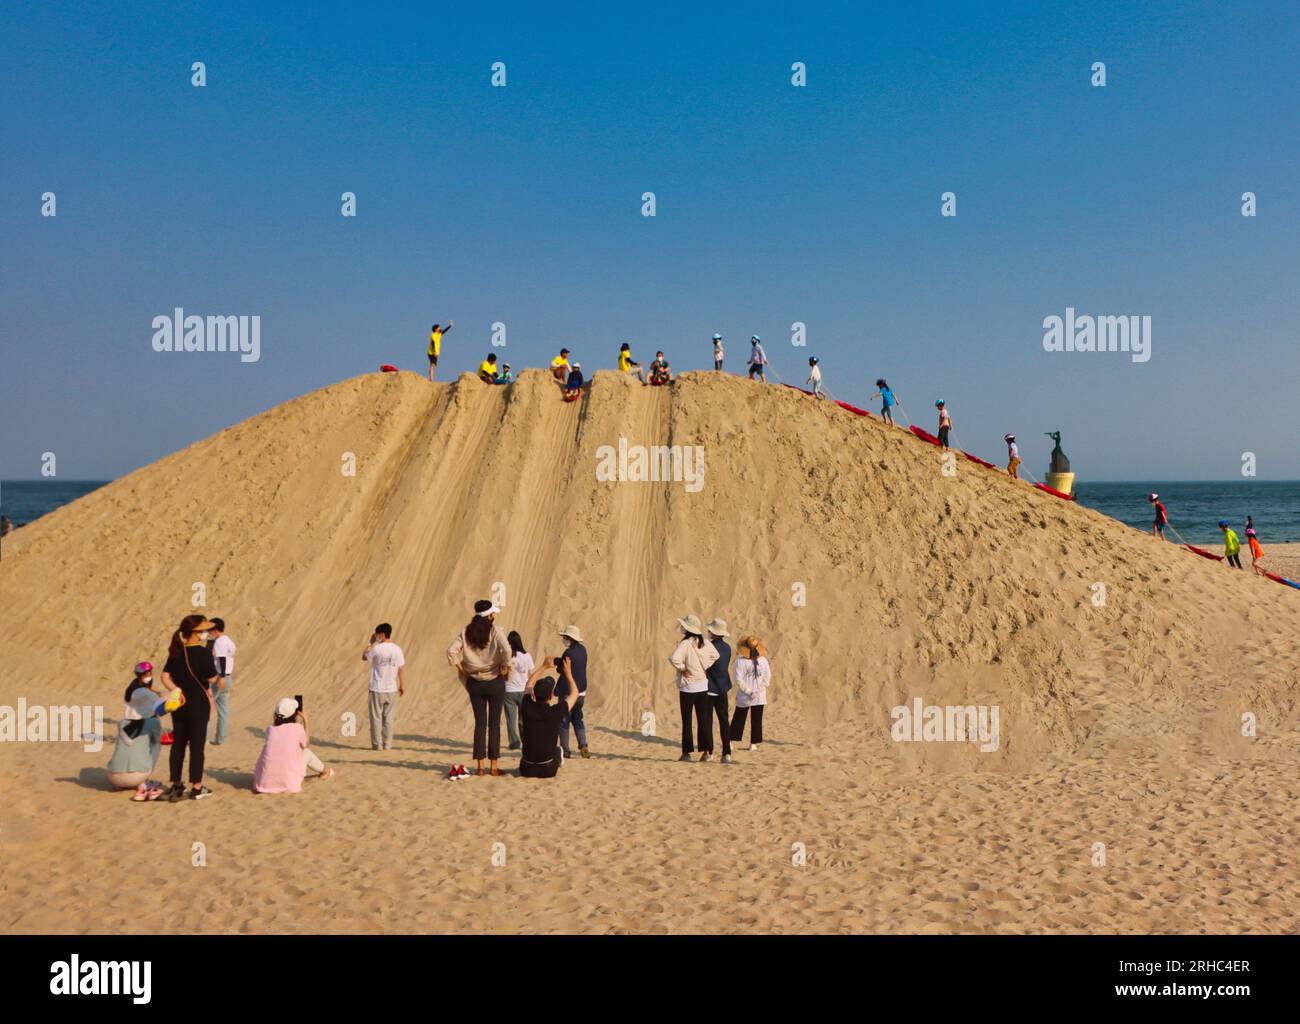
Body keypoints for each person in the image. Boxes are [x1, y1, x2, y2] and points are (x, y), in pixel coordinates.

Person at [446, 600, 513, 776]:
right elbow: (507, 649)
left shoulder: (466, 632)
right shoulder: (495, 631)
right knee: (494, 725)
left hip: (475, 683)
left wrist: (462, 669)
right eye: (493, 613)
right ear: (490, 615)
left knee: (480, 724)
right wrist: (505, 666)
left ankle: (480, 767)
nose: (495, 616)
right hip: (495, 681)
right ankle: (494, 767)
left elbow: (451, 651)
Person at [160, 614, 219, 801]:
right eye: (203, 631)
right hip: (199, 705)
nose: (205, 634)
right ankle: (196, 787)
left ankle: (176, 784)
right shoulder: (203, 653)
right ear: (195, 632)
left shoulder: (177, 652)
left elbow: (164, 677)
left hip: (180, 704)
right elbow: (212, 679)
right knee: (196, 746)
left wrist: (177, 690)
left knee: (178, 744)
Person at [105, 663, 167, 792]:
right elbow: (162, 705)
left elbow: (147, 691)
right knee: (156, 746)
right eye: (148, 674)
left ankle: (123, 783)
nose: (150, 676)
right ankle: (143, 782)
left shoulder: (121, 723)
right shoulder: (152, 722)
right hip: (136, 778)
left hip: (112, 777)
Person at [253, 698, 334, 793]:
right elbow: (306, 745)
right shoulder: (297, 729)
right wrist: (306, 721)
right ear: (294, 714)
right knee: (306, 752)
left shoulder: (270, 729)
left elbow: (281, 736)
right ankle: (326, 771)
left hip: (263, 783)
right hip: (289, 784)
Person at [519, 660, 582, 779]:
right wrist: (568, 674)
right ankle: (559, 756)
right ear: (551, 696)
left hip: (526, 768)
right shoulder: (555, 712)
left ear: (534, 695)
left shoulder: (527, 706)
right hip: (547, 769)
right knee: (557, 750)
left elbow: (529, 684)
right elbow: (575, 693)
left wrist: (543, 666)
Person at [669, 614, 719, 762]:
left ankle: (686, 753)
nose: (681, 628)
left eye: (683, 626)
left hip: (687, 687)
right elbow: (715, 655)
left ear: (687, 628)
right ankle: (707, 753)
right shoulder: (704, 642)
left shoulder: (685, 644)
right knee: (704, 720)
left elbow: (674, 659)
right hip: (702, 686)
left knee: (687, 721)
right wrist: (704, 667)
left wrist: (683, 668)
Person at [362, 622, 405, 751]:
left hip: (376, 688)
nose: (376, 637)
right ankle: (387, 745)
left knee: (376, 717)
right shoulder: (397, 649)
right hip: (391, 688)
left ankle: (377, 745)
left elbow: (364, 657)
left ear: (381, 634)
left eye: (377, 634)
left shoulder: (377, 648)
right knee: (389, 718)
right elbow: (401, 667)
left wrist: (370, 643)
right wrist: (401, 684)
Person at [553, 624, 590, 758]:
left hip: (569, 692)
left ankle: (565, 750)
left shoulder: (568, 653)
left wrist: (558, 662)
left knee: (564, 720)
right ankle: (583, 744)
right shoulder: (583, 650)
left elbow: (562, 671)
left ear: (569, 638)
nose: (563, 638)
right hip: (581, 692)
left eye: (565, 637)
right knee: (578, 718)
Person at [730, 634, 771, 751]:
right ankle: (752, 744)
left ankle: (731, 741)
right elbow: (767, 679)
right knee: (753, 719)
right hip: (757, 695)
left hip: (746, 695)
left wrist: (750, 691)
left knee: (739, 718)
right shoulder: (763, 660)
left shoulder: (741, 661)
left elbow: (739, 679)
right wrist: (757, 691)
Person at [704, 619, 733, 764]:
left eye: (710, 630)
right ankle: (727, 752)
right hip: (723, 688)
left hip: (709, 689)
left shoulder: (708, 647)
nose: (708, 632)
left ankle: (709, 753)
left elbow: (705, 665)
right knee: (724, 721)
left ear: (714, 633)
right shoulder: (728, 648)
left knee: (707, 722)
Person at [504, 630, 534, 751]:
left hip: (508, 690)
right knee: (524, 719)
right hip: (523, 690)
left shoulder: (507, 656)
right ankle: (525, 740)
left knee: (510, 719)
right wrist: (531, 689)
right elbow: (530, 673)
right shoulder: (527, 656)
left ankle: (514, 743)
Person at [207, 618, 236, 745]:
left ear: (214, 629)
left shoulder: (219, 642)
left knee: (206, 707)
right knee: (223, 710)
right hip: (228, 677)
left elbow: (222, 659)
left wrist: (221, 677)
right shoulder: (229, 641)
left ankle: (204, 740)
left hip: (219, 678)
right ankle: (221, 739)